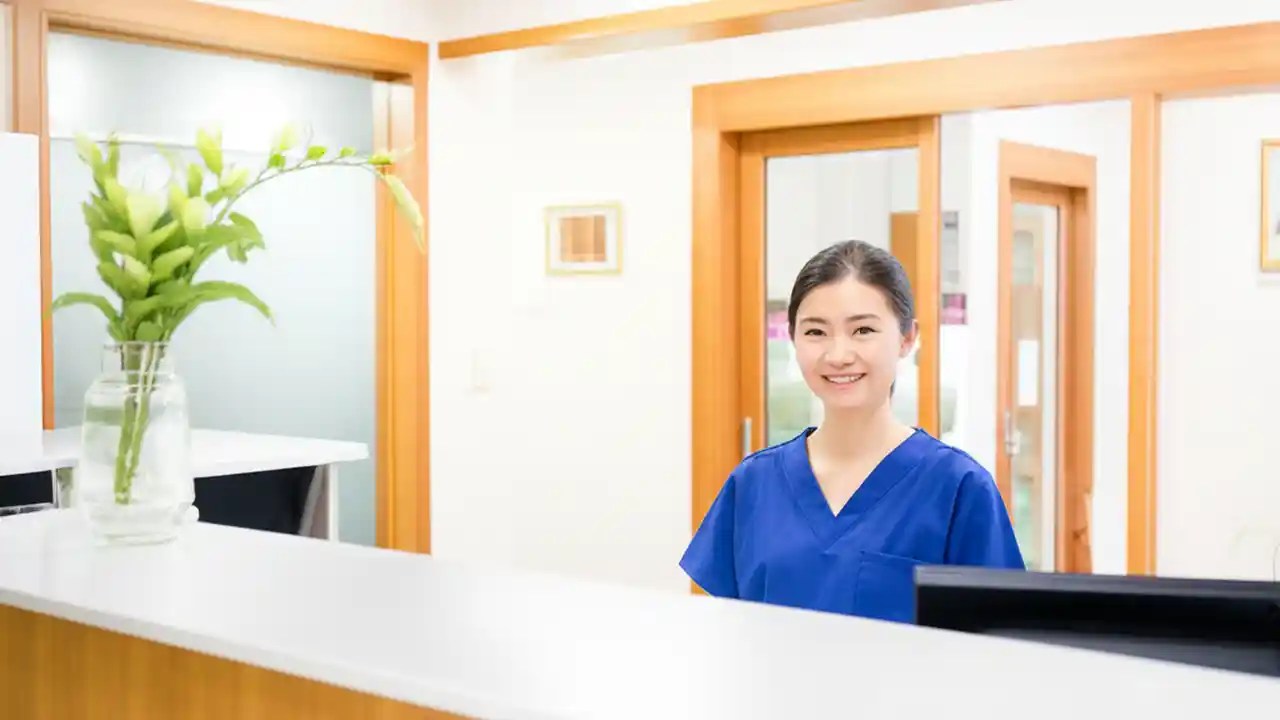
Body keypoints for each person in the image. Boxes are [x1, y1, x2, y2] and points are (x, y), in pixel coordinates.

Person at [681, 239, 1023, 623]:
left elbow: (1001, 646)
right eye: (816, 332)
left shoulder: (959, 487)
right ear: (793, 337)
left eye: (862, 330)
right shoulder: (754, 483)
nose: (838, 354)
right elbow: (723, 633)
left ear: (907, 338)